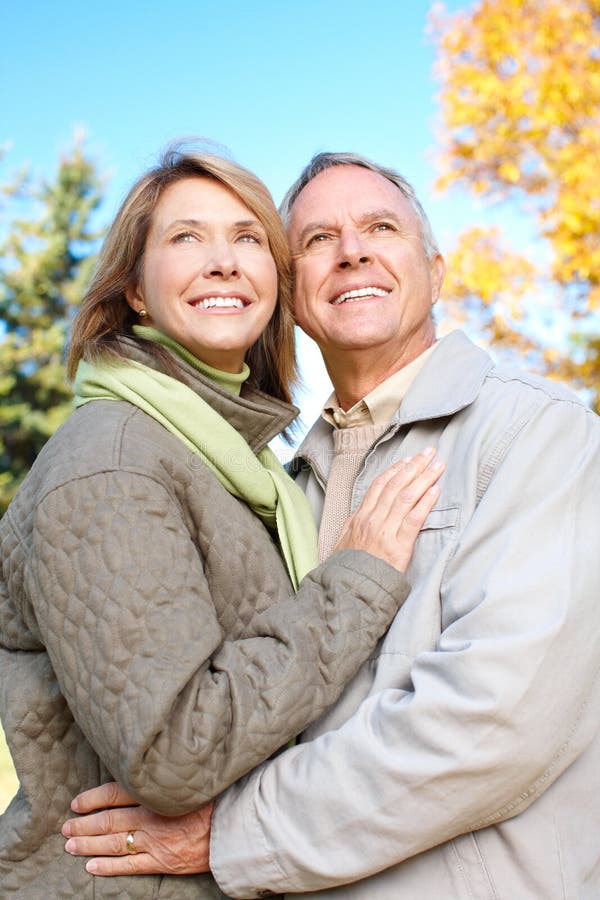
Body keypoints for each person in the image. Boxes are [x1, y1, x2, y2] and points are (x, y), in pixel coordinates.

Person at [62, 152, 600, 898]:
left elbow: (497, 722)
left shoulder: (536, 432)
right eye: (318, 240)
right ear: (292, 296)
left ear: (436, 272)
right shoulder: (279, 487)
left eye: (381, 228)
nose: (352, 251)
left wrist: (234, 834)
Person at [0, 147, 446, 899]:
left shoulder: (241, 466)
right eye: (186, 238)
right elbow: (174, 751)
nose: (223, 262)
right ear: (135, 292)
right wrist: (356, 580)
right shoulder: (114, 459)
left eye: (248, 238)